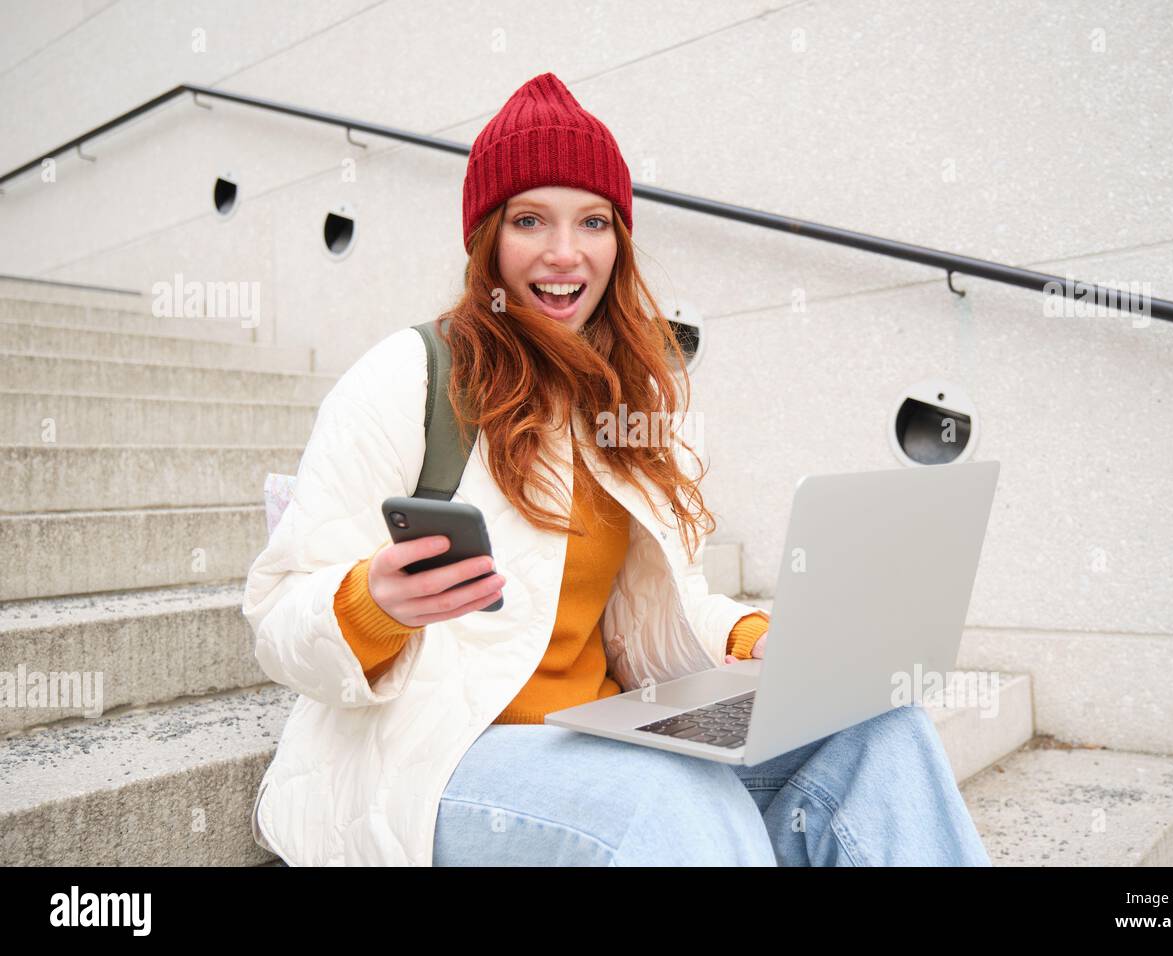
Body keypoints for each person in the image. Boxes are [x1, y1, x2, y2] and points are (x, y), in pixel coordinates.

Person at [244, 72, 991, 866]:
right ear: (487, 237)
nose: (566, 253)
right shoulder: (408, 376)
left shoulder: (624, 401)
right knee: (667, 798)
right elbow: (280, 616)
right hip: (432, 760)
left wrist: (749, 636)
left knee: (876, 727)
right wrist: (373, 605)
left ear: (618, 241)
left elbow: (649, 614)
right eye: (531, 219)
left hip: (598, 737)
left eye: (593, 222)